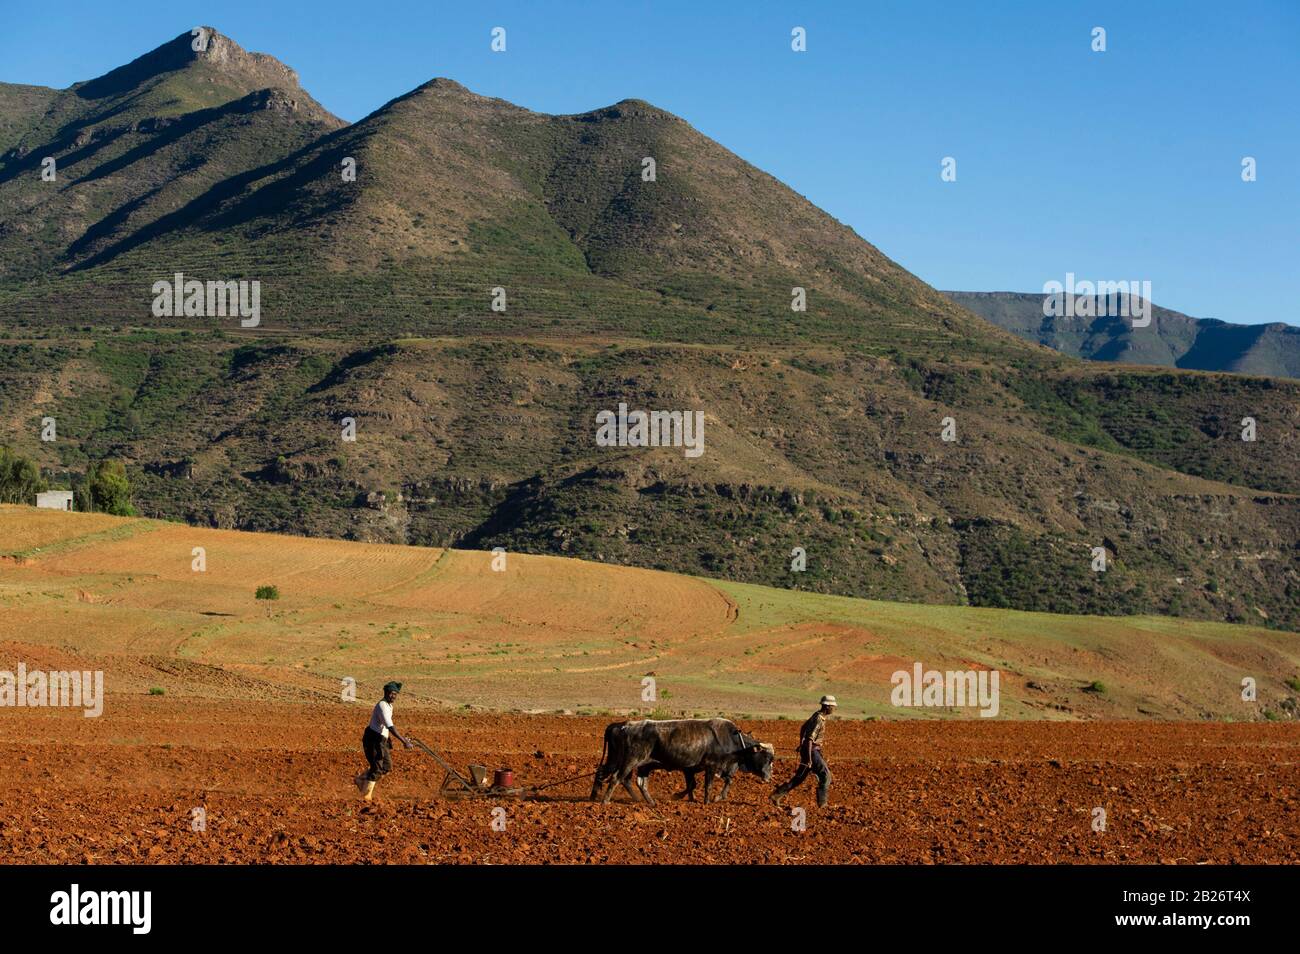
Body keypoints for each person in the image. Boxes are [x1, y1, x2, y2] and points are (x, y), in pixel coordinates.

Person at [770, 695, 836, 807]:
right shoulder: (819, 719)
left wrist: (801, 744)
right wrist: (810, 758)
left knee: (799, 778)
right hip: (812, 752)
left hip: (809, 750)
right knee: (826, 775)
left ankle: (776, 795)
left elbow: (803, 727)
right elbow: (810, 739)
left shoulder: (816, 715)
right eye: (833, 706)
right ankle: (822, 804)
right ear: (827, 706)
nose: (834, 709)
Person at [354, 681, 412, 802]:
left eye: (395, 694)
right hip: (374, 739)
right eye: (391, 693)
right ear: (385, 693)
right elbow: (390, 726)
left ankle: (361, 780)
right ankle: (366, 795)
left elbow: (387, 727)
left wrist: (404, 739)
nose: (393, 696)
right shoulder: (382, 706)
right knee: (377, 768)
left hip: (382, 740)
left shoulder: (389, 706)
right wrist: (403, 741)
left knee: (387, 766)